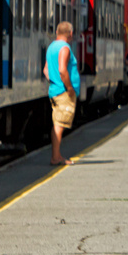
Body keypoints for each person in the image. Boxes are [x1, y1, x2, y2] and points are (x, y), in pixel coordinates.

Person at [44, 20, 79, 166]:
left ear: (57, 32)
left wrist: (54, 82)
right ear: (70, 34)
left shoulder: (51, 47)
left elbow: (46, 70)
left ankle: (56, 156)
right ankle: (56, 157)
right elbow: (63, 70)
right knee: (59, 125)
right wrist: (69, 88)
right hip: (63, 92)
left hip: (55, 90)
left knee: (57, 124)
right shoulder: (64, 48)